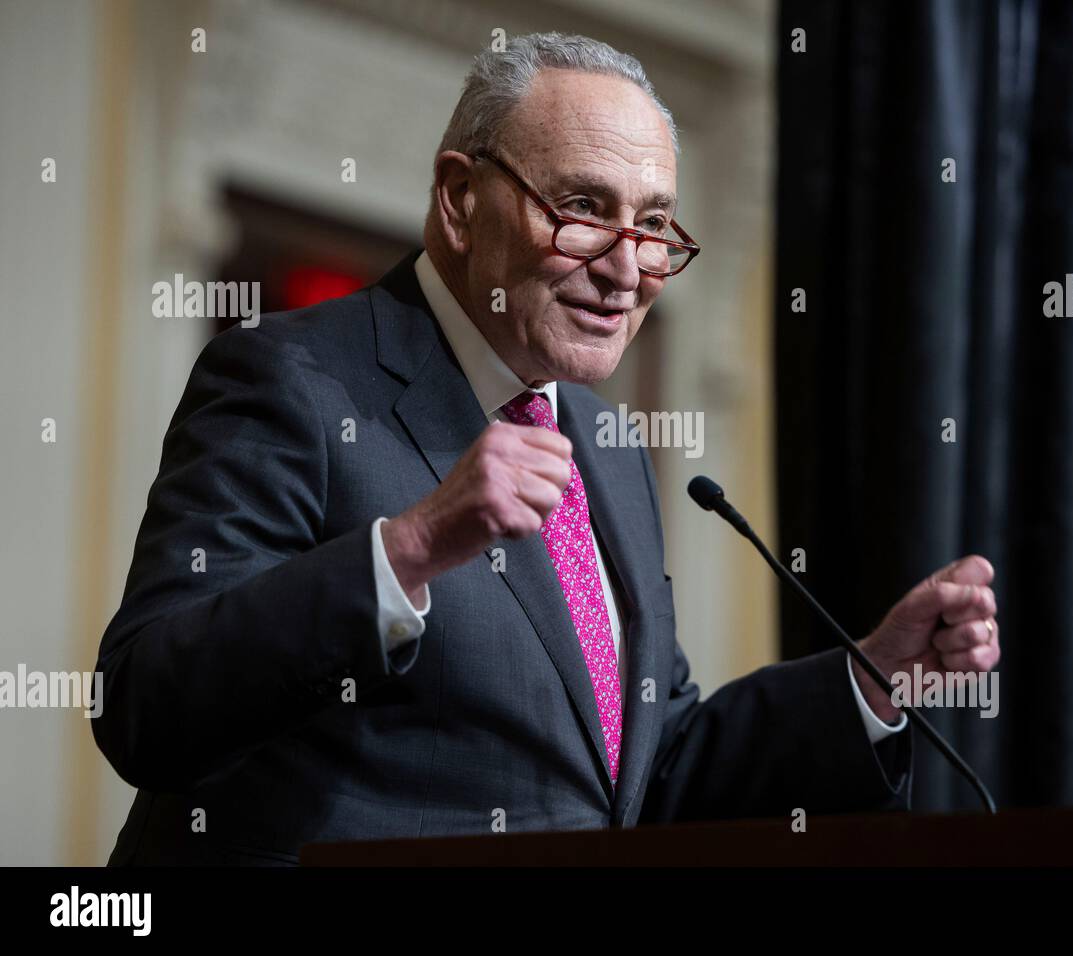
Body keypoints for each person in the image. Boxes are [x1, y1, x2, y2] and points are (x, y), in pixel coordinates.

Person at [94, 32, 1000, 865]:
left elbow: (646, 771)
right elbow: (145, 705)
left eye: (652, 224)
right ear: (459, 200)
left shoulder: (603, 443)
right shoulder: (291, 380)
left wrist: (870, 680)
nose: (625, 266)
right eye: (582, 208)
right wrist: (409, 551)